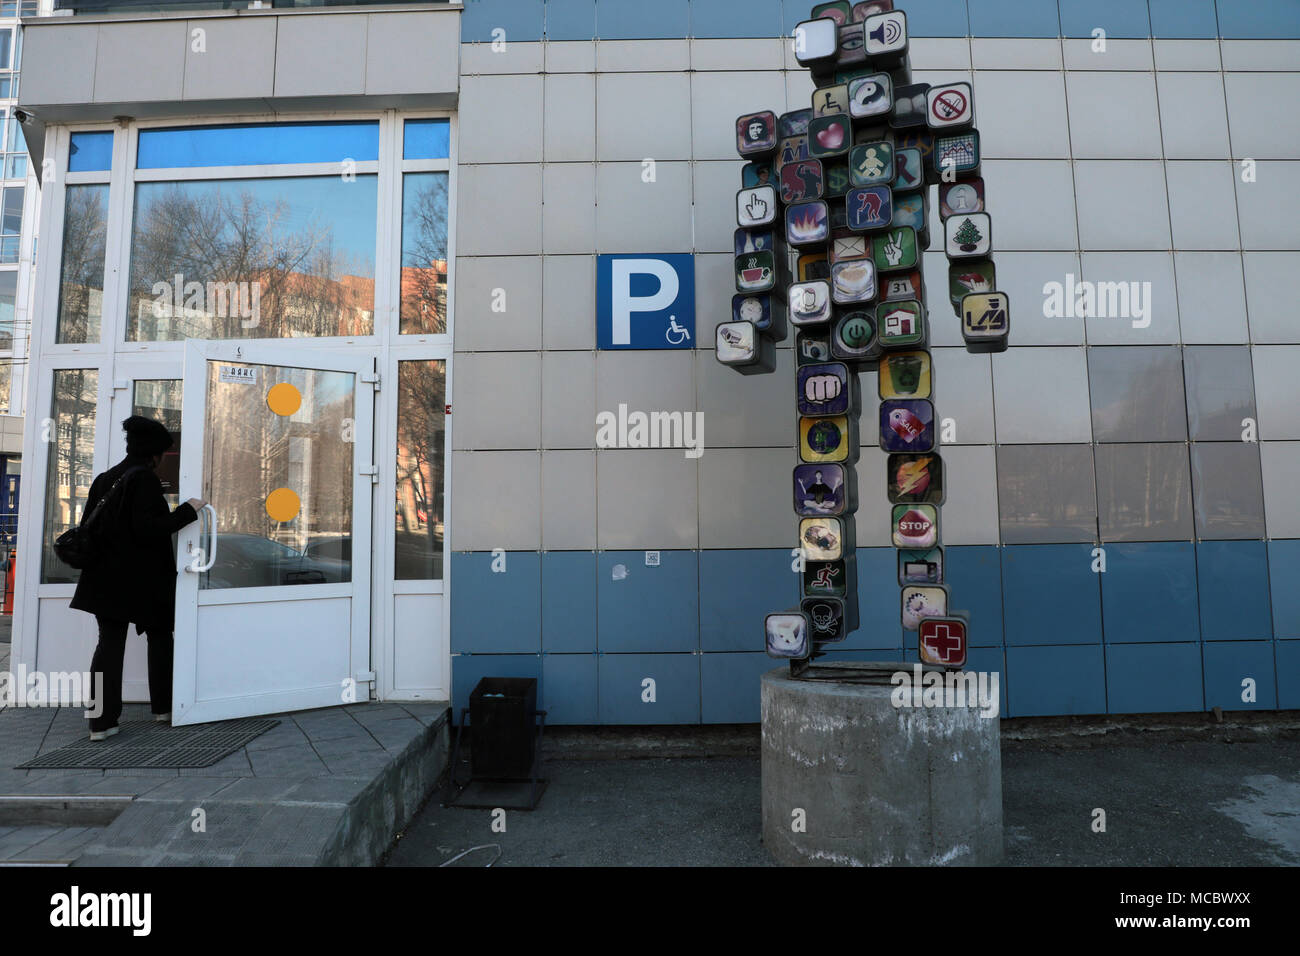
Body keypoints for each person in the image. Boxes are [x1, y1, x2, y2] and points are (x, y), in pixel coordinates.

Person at [70, 416, 204, 741]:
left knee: (109, 645)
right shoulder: (144, 480)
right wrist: (189, 510)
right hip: (142, 581)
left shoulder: (105, 479)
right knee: (160, 639)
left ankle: (101, 723)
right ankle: (164, 708)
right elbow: (150, 529)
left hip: (105, 579)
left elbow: (93, 525)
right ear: (154, 454)